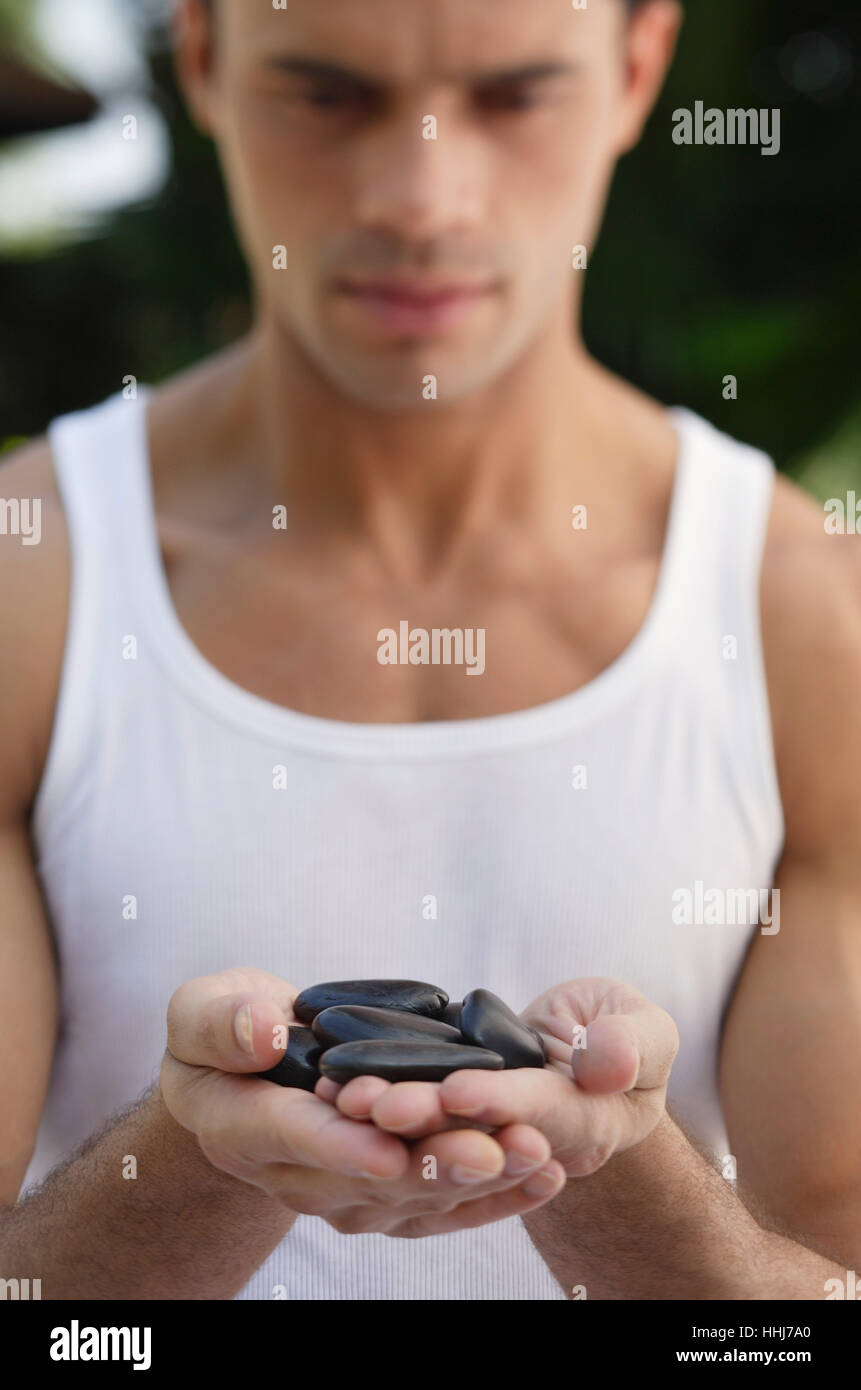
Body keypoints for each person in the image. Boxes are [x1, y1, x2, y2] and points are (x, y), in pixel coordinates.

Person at [1, 0, 859, 1302]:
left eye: (513, 97)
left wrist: (619, 1171)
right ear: (204, 64)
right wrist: (194, 1161)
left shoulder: (806, 619)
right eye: (326, 95)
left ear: (635, 71)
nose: (419, 196)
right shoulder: (29, 583)